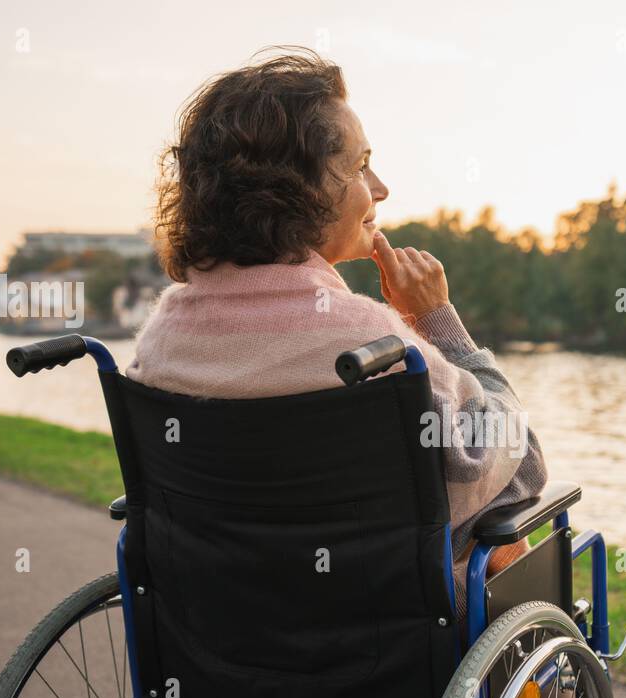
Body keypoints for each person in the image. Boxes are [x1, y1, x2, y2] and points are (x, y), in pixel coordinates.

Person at [125, 45, 548, 626]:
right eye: (358, 167)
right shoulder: (370, 345)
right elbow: (521, 469)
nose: (380, 188)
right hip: (381, 647)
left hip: (228, 642)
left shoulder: (162, 339)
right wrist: (436, 318)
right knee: (518, 539)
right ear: (297, 191)